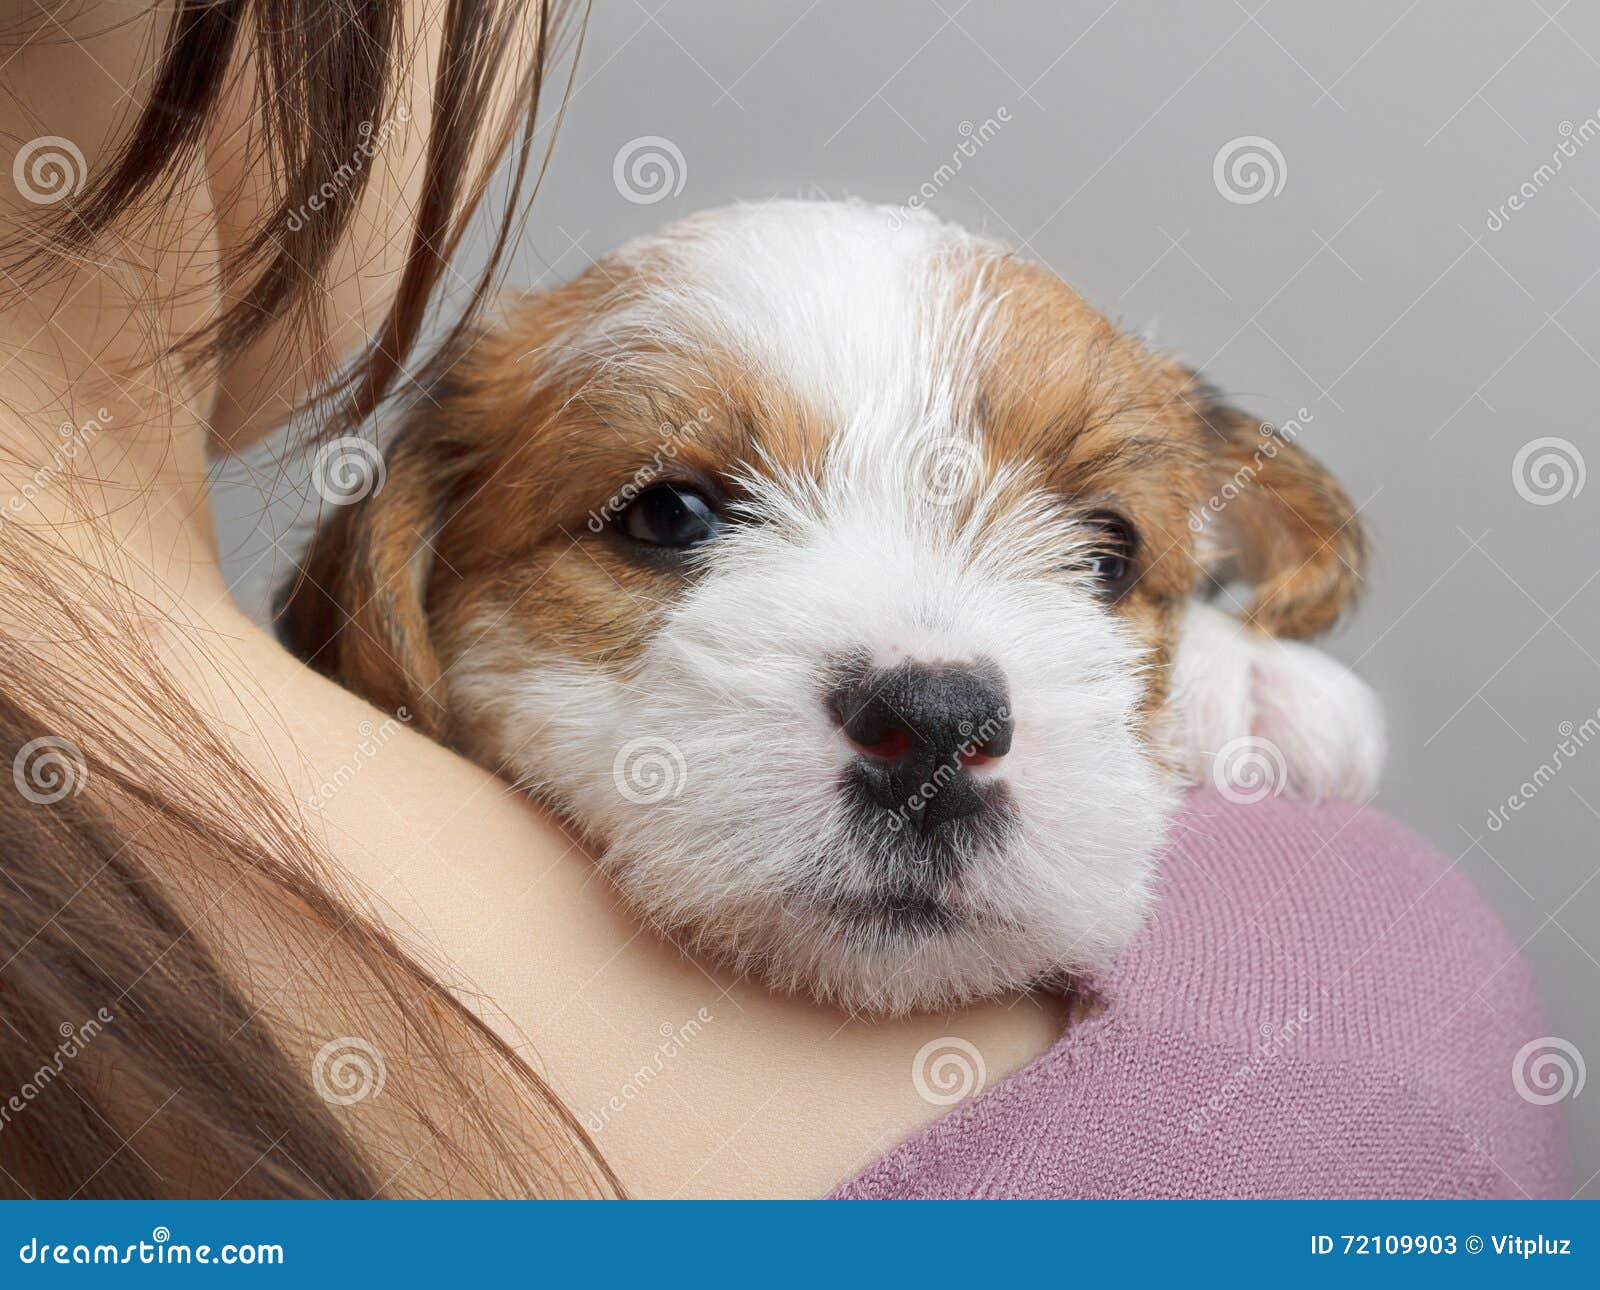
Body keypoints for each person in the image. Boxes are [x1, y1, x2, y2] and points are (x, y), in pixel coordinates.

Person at [0, 0, 1563, 1200]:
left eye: (1092, 559)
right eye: (674, 517)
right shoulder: (1332, 1049)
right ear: (392, 600)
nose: (938, 705)